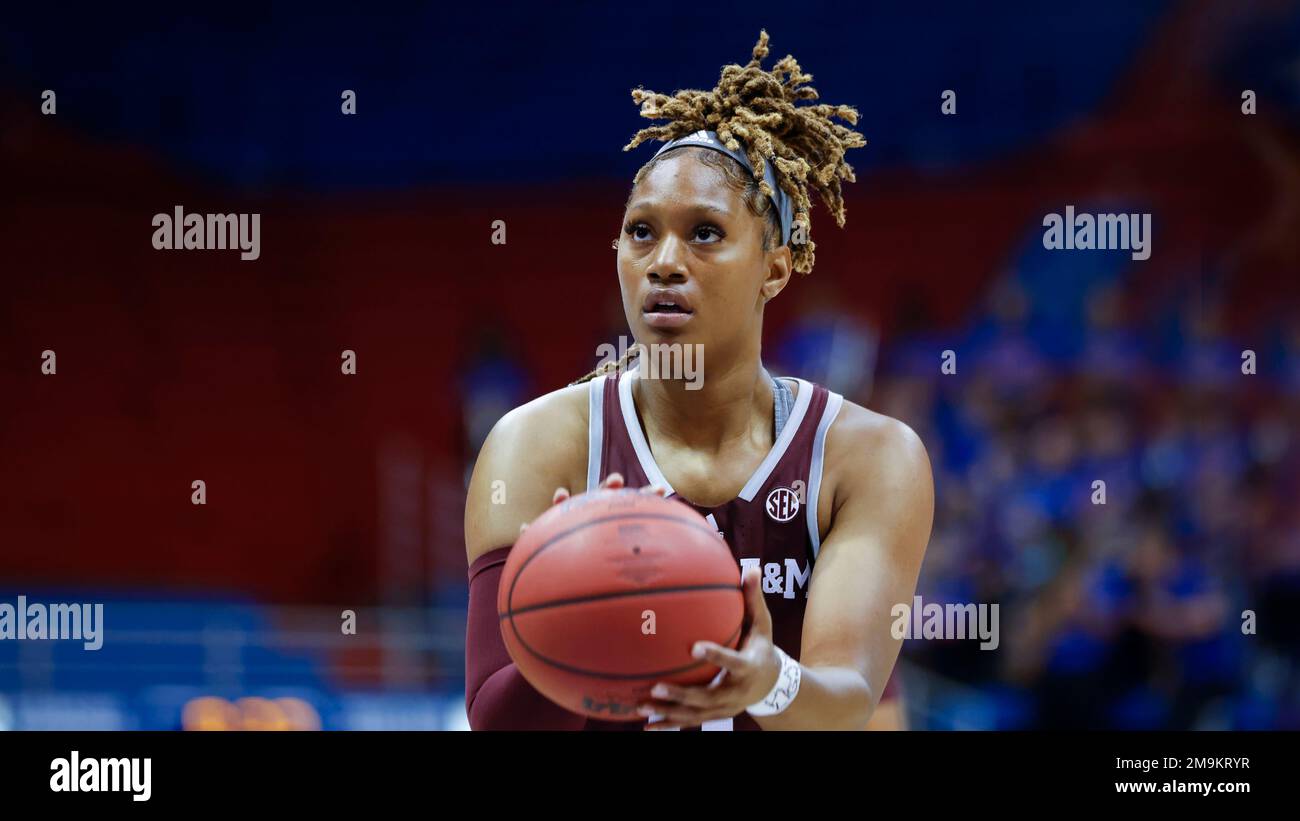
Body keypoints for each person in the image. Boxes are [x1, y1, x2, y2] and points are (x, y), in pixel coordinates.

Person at [465, 31, 933, 730]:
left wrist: (766, 681)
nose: (664, 261)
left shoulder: (868, 456)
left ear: (775, 267)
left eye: (705, 232)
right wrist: (581, 606)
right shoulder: (535, 444)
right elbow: (493, 719)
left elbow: (849, 704)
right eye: (641, 231)